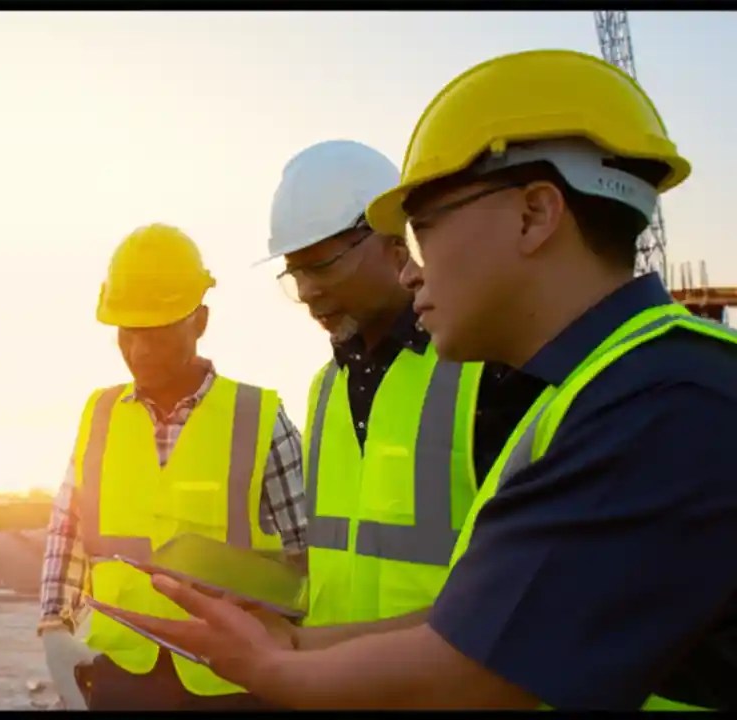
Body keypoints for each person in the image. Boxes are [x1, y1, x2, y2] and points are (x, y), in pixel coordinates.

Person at [97, 49, 737, 711]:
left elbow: (476, 665)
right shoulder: (612, 393)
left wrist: (271, 667)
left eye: (423, 229)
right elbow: (489, 620)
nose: (411, 270)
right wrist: (297, 646)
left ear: (534, 215)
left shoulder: (668, 404)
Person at [260, 140, 542, 634]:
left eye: (322, 265)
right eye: (295, 272)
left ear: (395, 245)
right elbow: (340, 562)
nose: (307, 292)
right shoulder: (325, 389)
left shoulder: (487, 373)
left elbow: (530, 593)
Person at [38, 223, 312, 711]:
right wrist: (54, 625)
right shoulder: (99, 415)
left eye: (157, 332)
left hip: (228, 681)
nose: (139, 350)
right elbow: (67, 528)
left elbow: (304, 557)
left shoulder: (260, 419)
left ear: (200, 320)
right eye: (127, 332)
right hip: (118, 669)